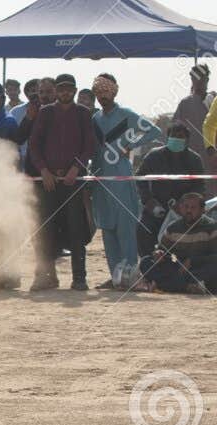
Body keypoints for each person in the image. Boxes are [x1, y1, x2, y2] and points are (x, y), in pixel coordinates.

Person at [27, 73, 97, 290]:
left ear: (75, 91)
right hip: (48, 181)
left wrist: (76, 168)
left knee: (76, 229)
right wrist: (44, 170)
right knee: (45, 229)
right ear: (56, 90)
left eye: (69, 89)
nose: (65, 92)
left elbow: (89, 146)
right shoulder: (46, 112)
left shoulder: (83, 114)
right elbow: (34, 144)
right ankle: (47, 276)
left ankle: (79, 278)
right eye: (61, 88)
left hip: (72, 181)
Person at [92, 73, 162, 289]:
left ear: (114, 91)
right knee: (108, 228)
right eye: (98, 91)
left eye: (106, 91)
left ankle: (131, 274)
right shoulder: (95, 119)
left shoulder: (126, 114)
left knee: (125, 228)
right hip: (100, 178)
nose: (102, 95)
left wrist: (130, 145)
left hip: (121, 177)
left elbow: (154, 131)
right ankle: (116, 277)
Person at [135, 122, 208, 252]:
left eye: (180, 137)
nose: (177, 139)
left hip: (184, 211)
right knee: (143, 230)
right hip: (157, 207)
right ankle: (148, 263)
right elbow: (140, 178)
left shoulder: (194, 159)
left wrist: (184, 205)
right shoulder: (154, 156)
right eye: (173, 136)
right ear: (168, 137)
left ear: (186, 140)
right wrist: (149, 201)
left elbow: (199, 186)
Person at [137, 190, 217, 292]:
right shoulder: (173, 227)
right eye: (186, 207)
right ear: (180, 208)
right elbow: (163, 251)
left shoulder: (211, 227)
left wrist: (193, 261)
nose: (189, 210)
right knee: (146, 262)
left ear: (202, 210)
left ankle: (166, 284)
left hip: (200, 267)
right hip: (177, 267)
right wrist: (158, 254)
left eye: (193, 208)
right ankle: (188, 286)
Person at [174, 64, 211, 149]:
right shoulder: (184, 104)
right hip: (190, 154)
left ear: (207, 79)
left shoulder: (213, 101)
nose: (198, 81)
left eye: (201, 78)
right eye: (195, 78)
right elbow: (176, 129)